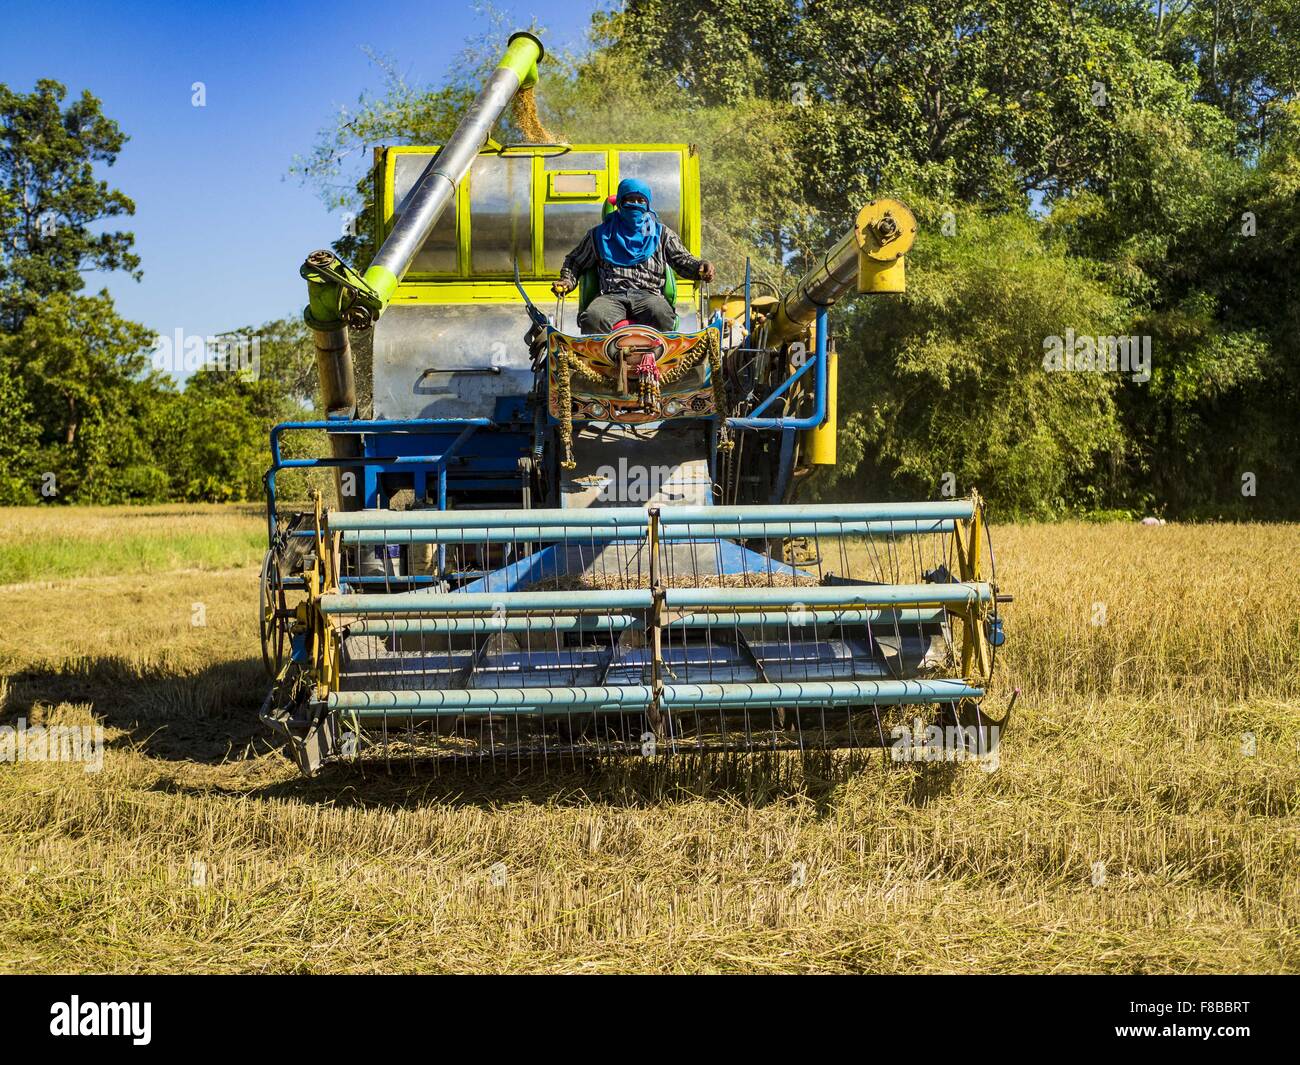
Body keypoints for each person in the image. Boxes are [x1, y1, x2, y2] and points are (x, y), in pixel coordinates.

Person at [551, 178, 716, 334]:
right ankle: (601, 363)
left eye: (640, 201)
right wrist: (567, 281)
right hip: (612, 296)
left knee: (662, 315)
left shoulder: (661, 233)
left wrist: (701, 266)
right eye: (630, 200)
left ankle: (657, 362)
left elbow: (682, 260)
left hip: (649, 295)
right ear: (620, 204)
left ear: (647, 205)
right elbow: (575, 262)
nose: (635, 205)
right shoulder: (599, 235)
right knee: (593, 318)